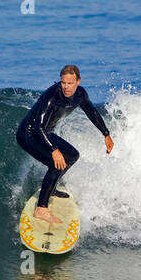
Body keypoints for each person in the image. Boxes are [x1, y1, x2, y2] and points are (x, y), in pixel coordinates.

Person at [16, 65, 113, 224]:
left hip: (45, 133)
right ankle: (41, 209)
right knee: (56, 163)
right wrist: (54, 150)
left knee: (73, 155)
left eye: (70, 83)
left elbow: (92, 113)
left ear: (78, 81)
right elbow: (38, 127)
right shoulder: (52, 95)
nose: (66, 87)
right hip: (28, 134)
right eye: (63, 83)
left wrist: (106, 134)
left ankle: (51, 188)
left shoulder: (80, 94)